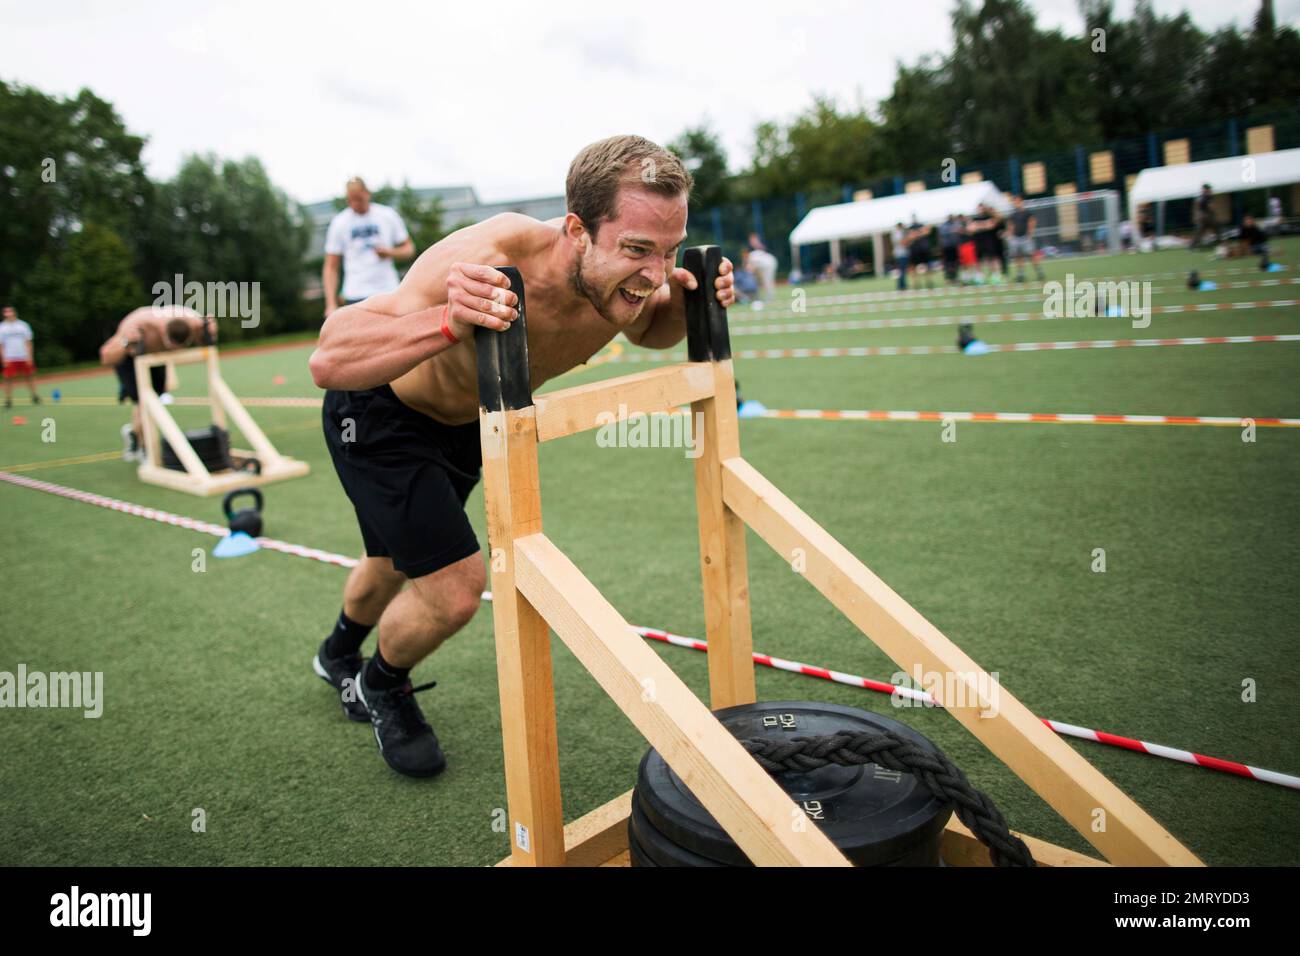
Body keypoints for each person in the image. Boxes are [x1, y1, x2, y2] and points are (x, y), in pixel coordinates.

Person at [308, 134, 735, 778]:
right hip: (378, 414)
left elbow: (651, 330)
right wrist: (449, 323)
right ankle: (381, 681)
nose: (653, 271)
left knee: (393, 561)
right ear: (577, 229)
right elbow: (330, 356)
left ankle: (336, 654)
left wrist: (690, 298)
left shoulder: (623, 282)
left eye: (669, 250)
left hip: (470, 423)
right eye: (638, 250)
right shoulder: (494, 252)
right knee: (453, 590)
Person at [98, 306, 216, 461]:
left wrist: (211, 332)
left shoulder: (196, 321)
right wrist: (126, 343)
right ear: (162, 331)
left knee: (154, 399)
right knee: (143, 401)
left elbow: (208, 342)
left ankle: (134, 433)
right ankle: (146, 448)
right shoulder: (137, 323)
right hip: (131, 359)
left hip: (156, 356)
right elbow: (106, 357)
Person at [322, 177, 415, 319]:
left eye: (359, 199)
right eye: (351, 200)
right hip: (355, 294)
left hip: (388, 290)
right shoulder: (339, 223)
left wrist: (390, 252)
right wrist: (330, 303)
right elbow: (330, 267)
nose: (355, 204)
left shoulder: (387, 215)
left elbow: (409, 249)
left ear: (367, 193)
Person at [1, 306, 41, 408]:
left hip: (23, 356)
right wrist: (3, 358)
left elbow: (28, 341)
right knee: (8, 378)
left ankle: (35, 396)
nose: (8, 313)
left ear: (14, 313)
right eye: (6, 312)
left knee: (29, 376)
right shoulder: (2, 327)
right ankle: (8, 400)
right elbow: (1, 345)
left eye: (10, 311)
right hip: (10, 357)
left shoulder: (23, 325)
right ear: (4, 314)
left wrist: (30, 356)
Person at [1006, 194, 1044, 283]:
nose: (1016, 203)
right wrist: (1010, 234)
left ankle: (1039, 272)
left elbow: (1032, 221)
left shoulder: (1027, 212)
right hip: (1016, 238)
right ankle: (1021, 275)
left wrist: (1030, 232)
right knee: (1018, 257)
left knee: (1032, 255)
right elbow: (1010, 224)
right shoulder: (1013, 214)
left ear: (1021, 201)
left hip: (1025, 237)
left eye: (1017, 201)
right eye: (1014, 201)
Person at [746, 233, 777, 308]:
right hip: (759, 267)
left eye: (754, 239)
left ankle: (770, 298)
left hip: (768, 265)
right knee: (760, 282)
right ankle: (759, 298)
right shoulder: (749, 249)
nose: (753, 241)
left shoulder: (761, 246)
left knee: (767, 281)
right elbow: (749, 263)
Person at [906, 217, 933, 290]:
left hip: (923, 250)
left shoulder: (921, 225)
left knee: (927, 267)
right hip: (914, 250)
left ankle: (929, 282)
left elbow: (927, 231)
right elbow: (909, 237)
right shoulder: (910, 227)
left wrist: (918, 234)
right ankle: (916, 284)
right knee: (913, 268)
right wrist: (918, 234)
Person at [938, 215, 962, 286]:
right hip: (947, 248)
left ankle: (955, 278)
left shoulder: (955, 223)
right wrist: (952, 230)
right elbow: (943, 234)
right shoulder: (944, 226)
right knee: (948, 264)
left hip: (954, 247)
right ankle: (948, 279)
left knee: (955, 263)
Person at [1192, 184, 1219, 249]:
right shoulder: (1205, 197)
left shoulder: (1203, 197)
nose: (1210, 190)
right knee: (1200, 232)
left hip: (1205, 217)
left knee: (1216, 229)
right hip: (1205, 217)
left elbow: (1198, 207)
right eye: (1209, 189)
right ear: (1205, 189)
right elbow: (1210, 207)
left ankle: (1193, 246)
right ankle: (1193, 246)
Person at [891, 221, 909, 290]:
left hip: (902, 253)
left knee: (902, 270)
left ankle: (902, 285)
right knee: (901, 270)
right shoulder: (897, 234)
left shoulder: (901, 233)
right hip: (900, 254)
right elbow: (902, 242)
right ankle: (901, 285)